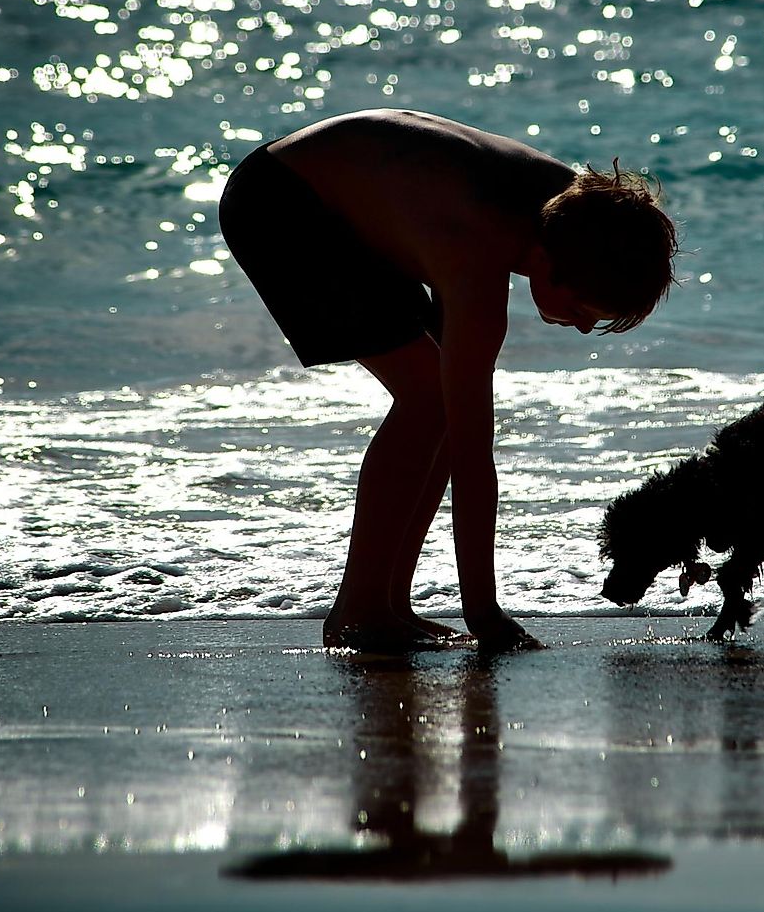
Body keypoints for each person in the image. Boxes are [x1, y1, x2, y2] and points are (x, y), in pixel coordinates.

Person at [218, 109, 677, 653]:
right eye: (582, 310)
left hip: (376, 195)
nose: (581, 326)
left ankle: (390, 606)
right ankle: (359, 612)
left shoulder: (586, 211)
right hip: (281, 201)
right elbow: (472, 454)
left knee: (436, 401)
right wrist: (483, 614)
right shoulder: (475, 247)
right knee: (431, 400)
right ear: (546, 262)